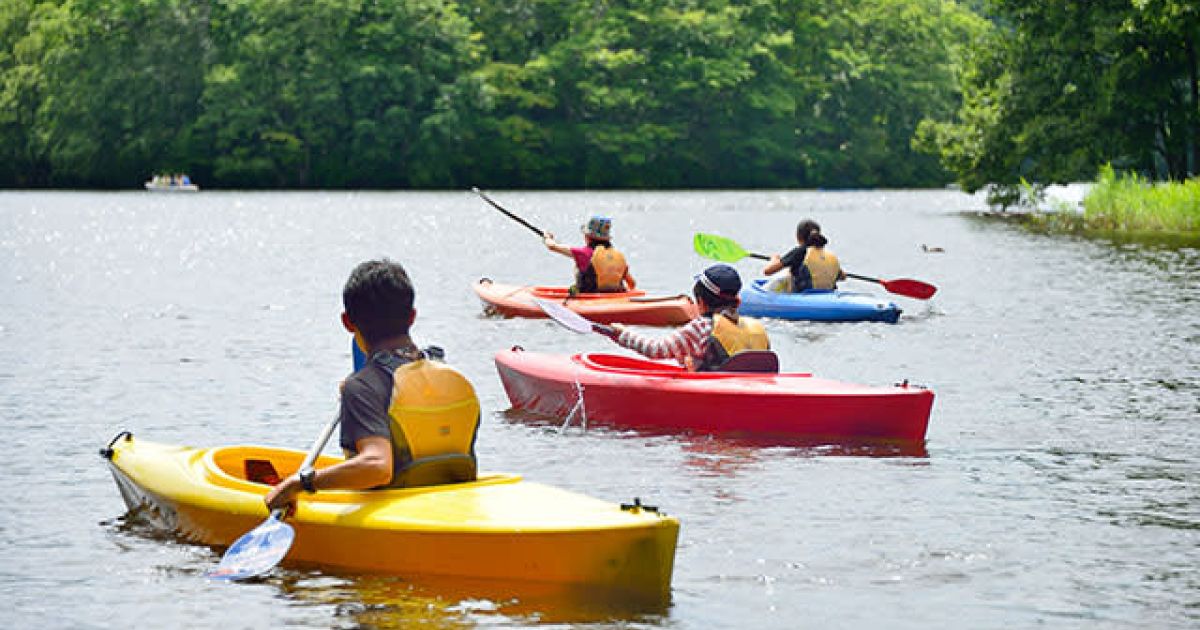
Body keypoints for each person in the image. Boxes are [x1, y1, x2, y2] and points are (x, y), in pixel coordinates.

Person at [266, 259, 481, 513]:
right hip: (458, 506)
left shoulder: (364, 387)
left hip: (400, 514)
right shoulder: (441, 371)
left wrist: (299, 483)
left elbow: (376, 467)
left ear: (347, 322)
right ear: (412, 317)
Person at [606, 264, 770, 372]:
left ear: (701, 303)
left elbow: (655, 350)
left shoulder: (700, 327)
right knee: (689, 359)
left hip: (714, 394)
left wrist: (622, 334)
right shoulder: (756, 327)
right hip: (750, 389)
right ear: (738, 302)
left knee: (689, 360)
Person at [543, 215, 636, 294]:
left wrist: (547, 237)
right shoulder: (617, 256)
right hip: (615, 299)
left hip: (590, 298)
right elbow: (632, 284)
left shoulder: (583, 253)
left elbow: (552, 246)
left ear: (588, 237)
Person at [762, 219, 844, 292]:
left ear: (798, 237)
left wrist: (774, 260)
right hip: (828, 296)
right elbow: (843, 277)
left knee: (785, 274)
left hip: (804, 296)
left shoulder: (799, 251)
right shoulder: (828, 255)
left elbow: (767, 271)